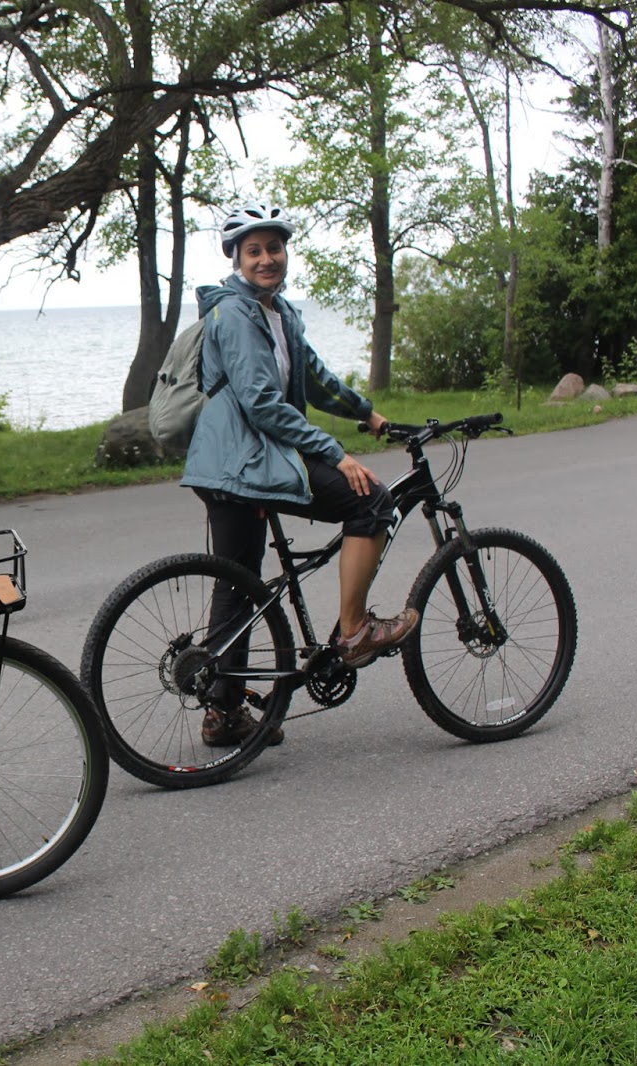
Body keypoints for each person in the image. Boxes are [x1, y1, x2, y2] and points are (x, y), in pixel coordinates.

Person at [182, 199, 418, 747]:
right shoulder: (234, 314)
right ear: (236, 258)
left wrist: (369, 415)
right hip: (242, 463)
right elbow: (263, 404)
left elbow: (315, 378)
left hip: (242, 463)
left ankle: (223, 714)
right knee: (372, 501)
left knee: (238, 584)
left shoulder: (279, 312)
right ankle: (356, 632)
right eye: (254, 250)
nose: (267, 258)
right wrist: (337, 454)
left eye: (274, 248)